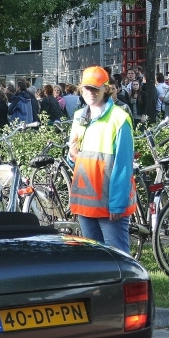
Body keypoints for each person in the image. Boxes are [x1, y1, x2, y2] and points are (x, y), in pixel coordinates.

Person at [67, 66, 136, 254]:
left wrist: (118, 204)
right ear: (81, 89)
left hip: (108, 203)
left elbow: (123, 165)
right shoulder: (79, 116)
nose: (91, 92)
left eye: (96, 88)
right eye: (87, 88)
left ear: (106, 88)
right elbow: (76, 160)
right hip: (86, 202)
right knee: (94, 260)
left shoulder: (119, 119)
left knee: (117, 258)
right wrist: (72, 154)